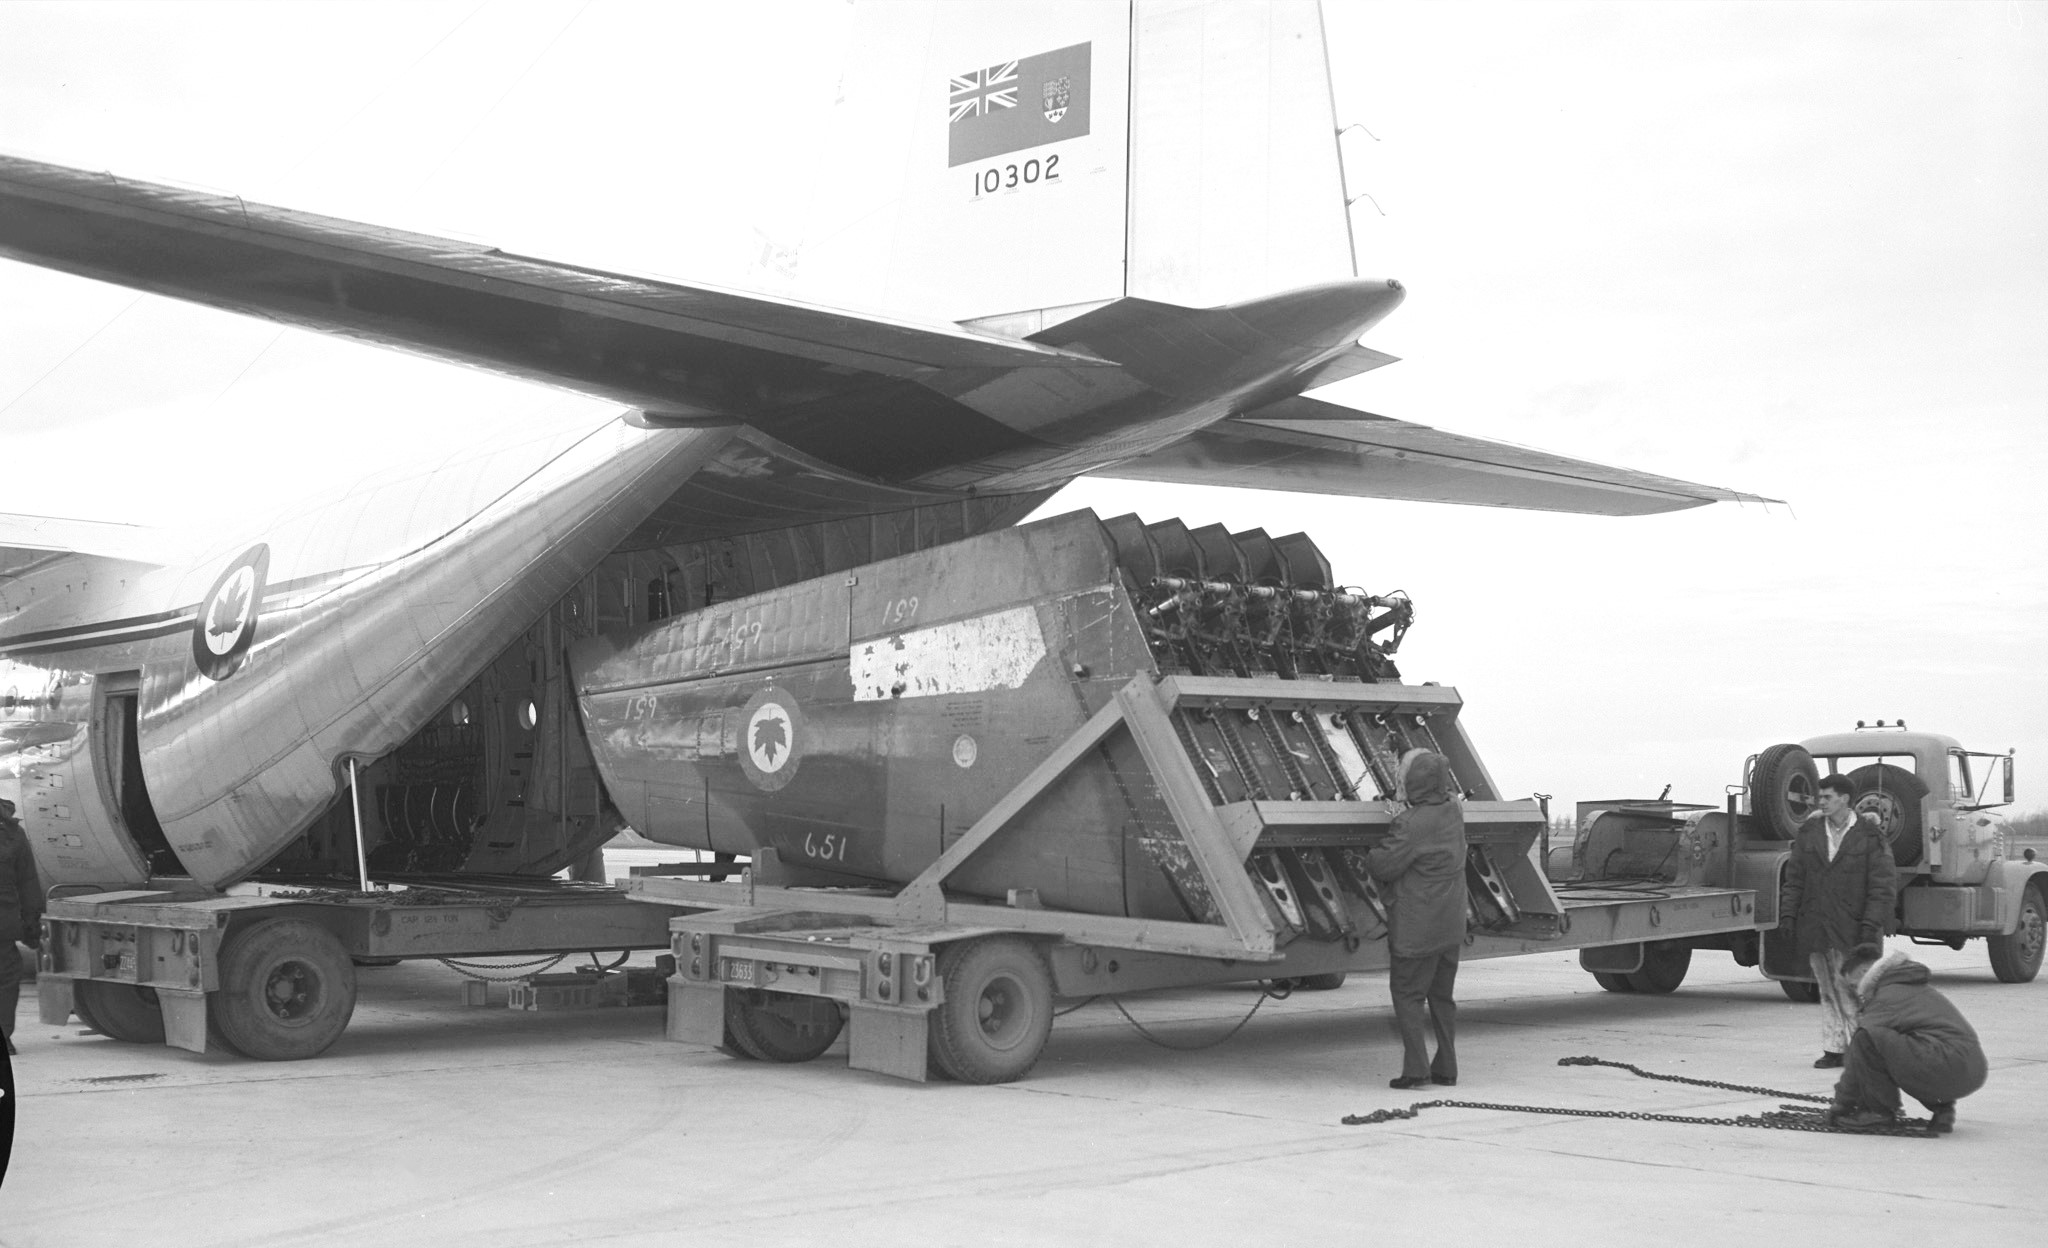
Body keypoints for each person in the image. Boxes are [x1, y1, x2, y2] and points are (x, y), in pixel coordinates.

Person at [1778, 773, 1896, 1069]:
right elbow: (1795, 879)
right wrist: (1789, 915)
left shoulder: (1870, 836)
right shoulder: (1810, 833)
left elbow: (1882, 885)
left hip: (1853, 927)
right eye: (1821, 798)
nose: (1822, 803)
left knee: (1859, 990)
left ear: (1844, 799)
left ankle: (1866, 1050)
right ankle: (1834, 1049)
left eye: (1828, 797)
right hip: (1818, 924)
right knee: (1827, 987)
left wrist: (1870, 926)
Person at [1367, 749, 1467, 1089]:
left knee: (1407, 995)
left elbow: (1384, 866)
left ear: (1412, 782)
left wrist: (1368, 852)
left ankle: (1416, 1070)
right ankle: (1446, 1068)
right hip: (1450, 924)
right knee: (1442, 998)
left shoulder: (1410, 825)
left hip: (1417, 929)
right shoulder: (1454, 812)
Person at [1827, 948, 1986, 1133]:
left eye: (1854, 986)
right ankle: (1944, 1111)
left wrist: (1841, 1103)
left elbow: (1859, 1052)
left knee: (1866, 1038)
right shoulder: (1913, 987)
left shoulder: (1885, 996)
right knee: (1912, 1047)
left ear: (1865, 972)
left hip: (1944, 1065)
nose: (1857, 993)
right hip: (1971, 1071)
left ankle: (1878, 1114)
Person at [1, 796, 47, 1057]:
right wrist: (31, 926)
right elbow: (28, 882)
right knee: (5, 980)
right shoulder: (12, 833)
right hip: (3, 923)